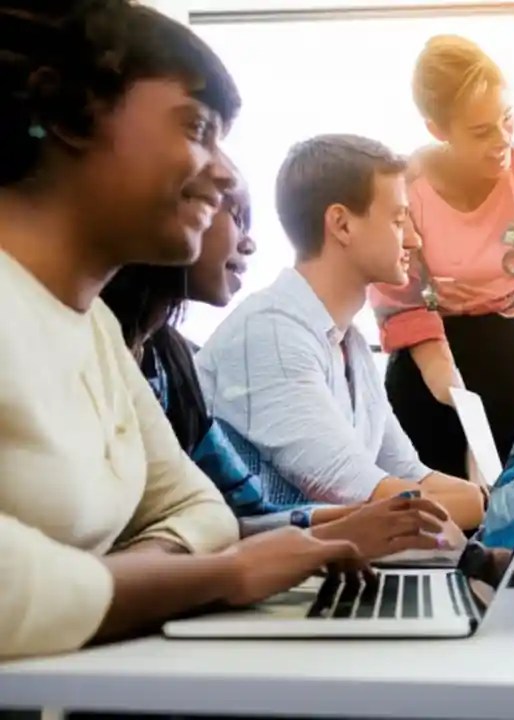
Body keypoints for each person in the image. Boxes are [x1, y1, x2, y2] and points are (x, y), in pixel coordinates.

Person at [0, 2, 442, 660]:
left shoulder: (91, 327)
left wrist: (154, 569)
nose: (228, 171)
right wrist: (220, 573)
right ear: (67, 115)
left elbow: (202, 509)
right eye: (198, 127)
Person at [100, 158, 451, 557]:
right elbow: (212, 521)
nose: (249, 244)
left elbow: (231, 509)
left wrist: (333, 528)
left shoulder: (168, 355)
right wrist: (329, 534)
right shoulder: (267, 331)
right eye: (233, 215)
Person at [196, 133, 485, 531]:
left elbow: (414, 476)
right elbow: (389, 507)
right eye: (399, 220)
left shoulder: (349, 344)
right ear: (342, 224)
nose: (414, 239)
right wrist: (483, 502)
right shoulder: (272, 334)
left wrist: (498, 497)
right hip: (268, 582)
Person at [371, 34, 514, 480]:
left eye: (507, 120)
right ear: (438, 130)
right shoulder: (405, 187)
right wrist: (451, 384)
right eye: (481, 131)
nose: (502, 141)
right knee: (433, 512)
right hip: (426, 352)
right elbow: (400, 301)